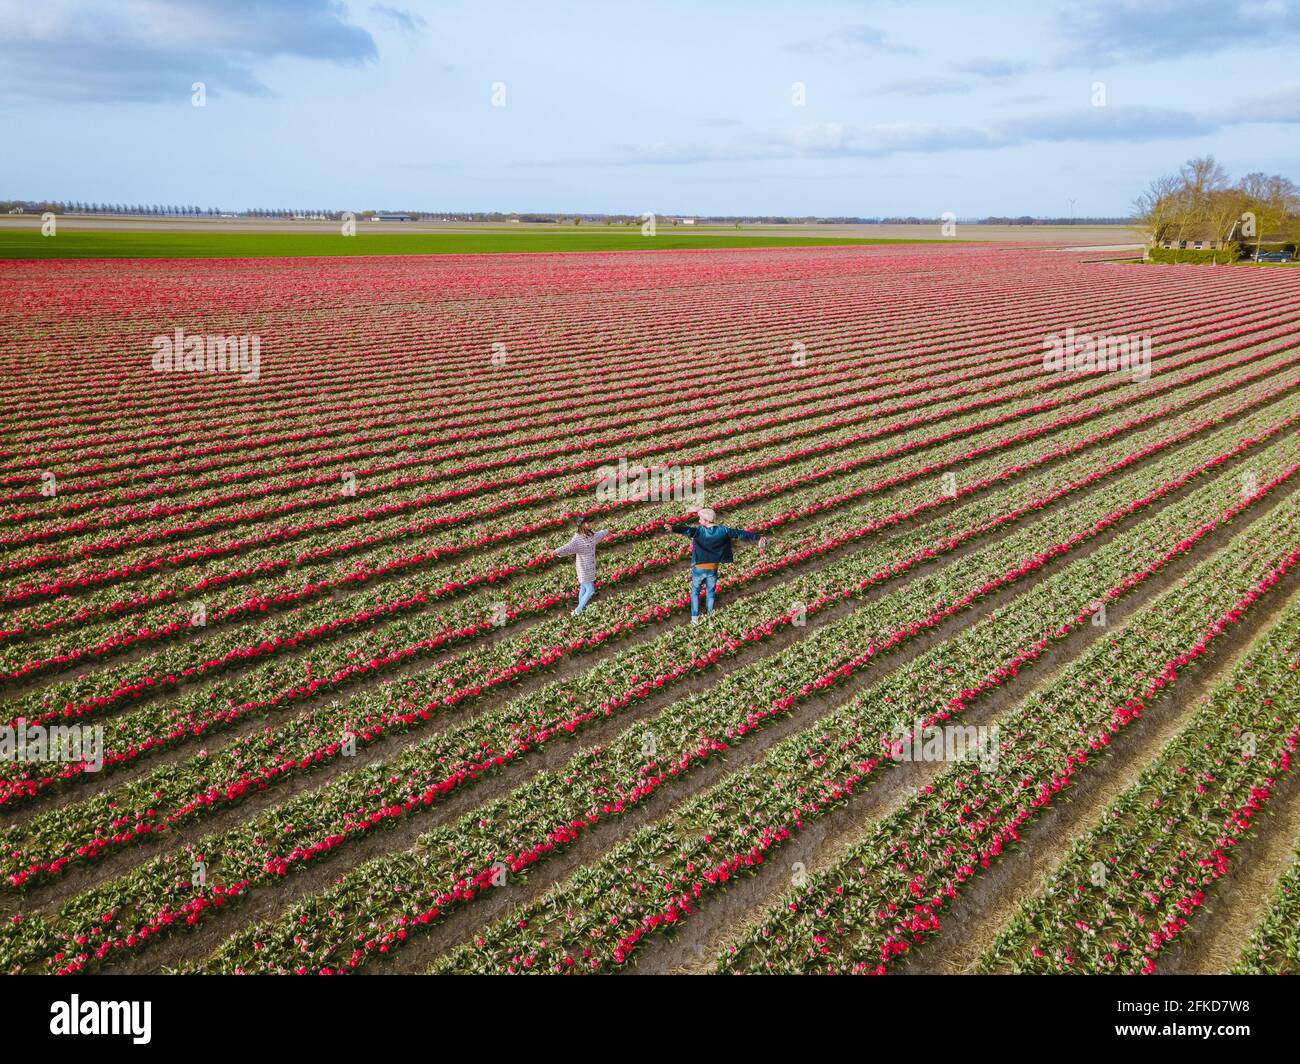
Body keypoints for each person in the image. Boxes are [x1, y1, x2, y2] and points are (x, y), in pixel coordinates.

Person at [663, 507, 768, 622]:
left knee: (695, 592)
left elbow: (687, 530)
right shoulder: (723, 531)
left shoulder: (699, 531)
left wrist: (673, 528)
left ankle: (694, 618)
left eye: (701, 519)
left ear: (707, 521)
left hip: (699, 569)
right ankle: (709, 615)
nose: (699, 521)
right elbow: (740, 534)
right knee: (710, 592)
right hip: (712, 568)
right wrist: (758, 537)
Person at [553, 518, 610, 615]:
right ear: (582, 525)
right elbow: (568, 546)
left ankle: (582, 608)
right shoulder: (577, 539)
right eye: (589, 522)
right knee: (590, 590)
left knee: (583, 588)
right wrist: (557, 551)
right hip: (583, 567)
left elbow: (599, 535)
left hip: (590, 566)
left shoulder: (590, 535)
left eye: (591, 522)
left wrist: (607, 531)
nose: (592, 524)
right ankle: (577, 611)